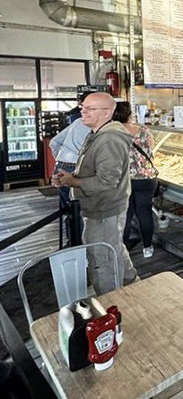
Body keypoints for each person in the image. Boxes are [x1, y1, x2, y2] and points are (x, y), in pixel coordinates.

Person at [51, 92, 136, 289]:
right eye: (83, 107)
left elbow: (107, 181)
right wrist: (69, 178)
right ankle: (132, 285)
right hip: (100, 207)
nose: (83, 111)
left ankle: (109, 303)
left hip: (104, 209)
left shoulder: (109, 139)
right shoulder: (97, 134)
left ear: (107, 112)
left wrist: (74, 181)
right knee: (113, 248)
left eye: (90, 108)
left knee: (102, 258)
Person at [112, 101, 158, 259]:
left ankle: (122, 250)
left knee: (126, 214)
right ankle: (147, 248)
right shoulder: (144, 130)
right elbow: (151, 148)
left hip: (125, 179)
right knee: (144, 212)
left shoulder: (112, 133)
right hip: (146, 177)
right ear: (130, 115)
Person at [48, 116, 90, 243]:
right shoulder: (99, 127)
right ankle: (80, 243)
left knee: (68, 207)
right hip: (77, 166)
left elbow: (53, 142)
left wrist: (61, 161)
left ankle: (72, 242)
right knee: (80, 207)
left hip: (62, 164)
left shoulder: (78, 121)